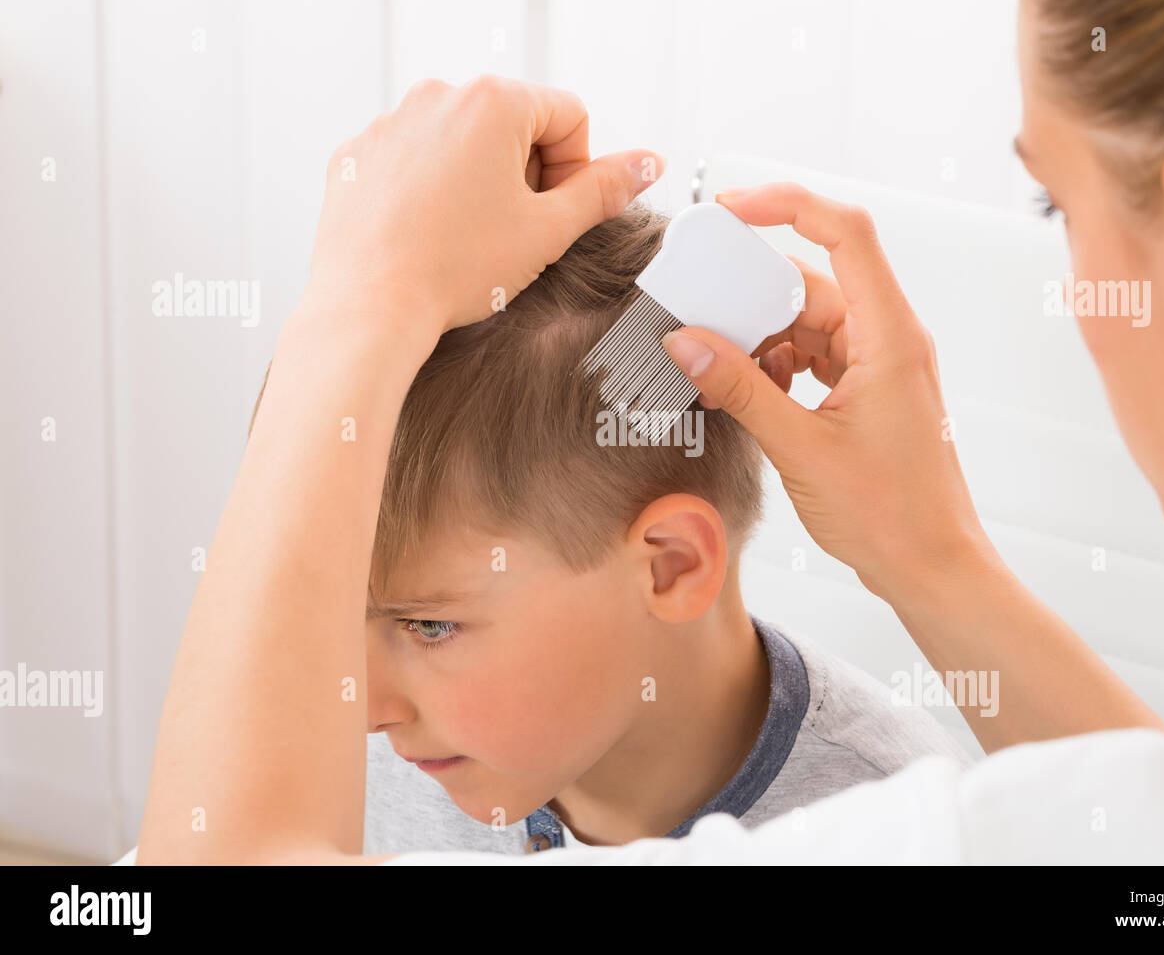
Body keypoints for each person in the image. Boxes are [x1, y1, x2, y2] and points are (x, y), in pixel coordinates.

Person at [130, 0, 1164, 865]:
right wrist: (928, 554)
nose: (361, 702)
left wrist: (360, 305)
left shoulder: (880, 819)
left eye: (1056, 207)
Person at [115, 206, 969, 865]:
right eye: (345, 614)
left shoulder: (891, 827)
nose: (362, 707)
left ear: (670, 565)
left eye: (428, 625)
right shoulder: (352, 775)